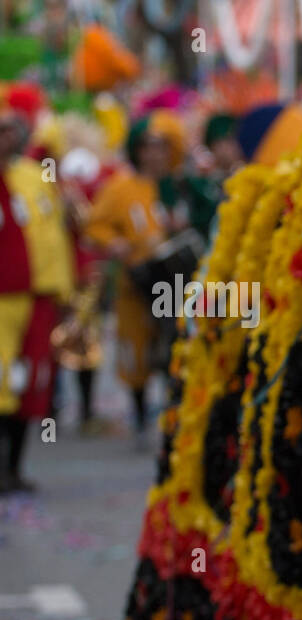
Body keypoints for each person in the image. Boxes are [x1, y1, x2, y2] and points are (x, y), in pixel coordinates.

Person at [85, 110, 186, 444]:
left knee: (174, 346)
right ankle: (141, 416)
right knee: (137, 350)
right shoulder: (120, 187)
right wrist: (115, 243)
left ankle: (175, 415)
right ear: (137, 150)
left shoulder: (179, 184)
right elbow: (95, 225)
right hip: (135, 283)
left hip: (175, 282)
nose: (155, 154)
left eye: (161, 146)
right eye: (148, 147)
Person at [0, 84, 74, 493]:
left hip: (38, 296)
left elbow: (54, 236)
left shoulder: (33, 177)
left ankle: (14, 466)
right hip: (3, 300)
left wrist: (62, 290)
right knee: (2, 382)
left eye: (11, 129)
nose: (6, 138)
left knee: (32, 384)